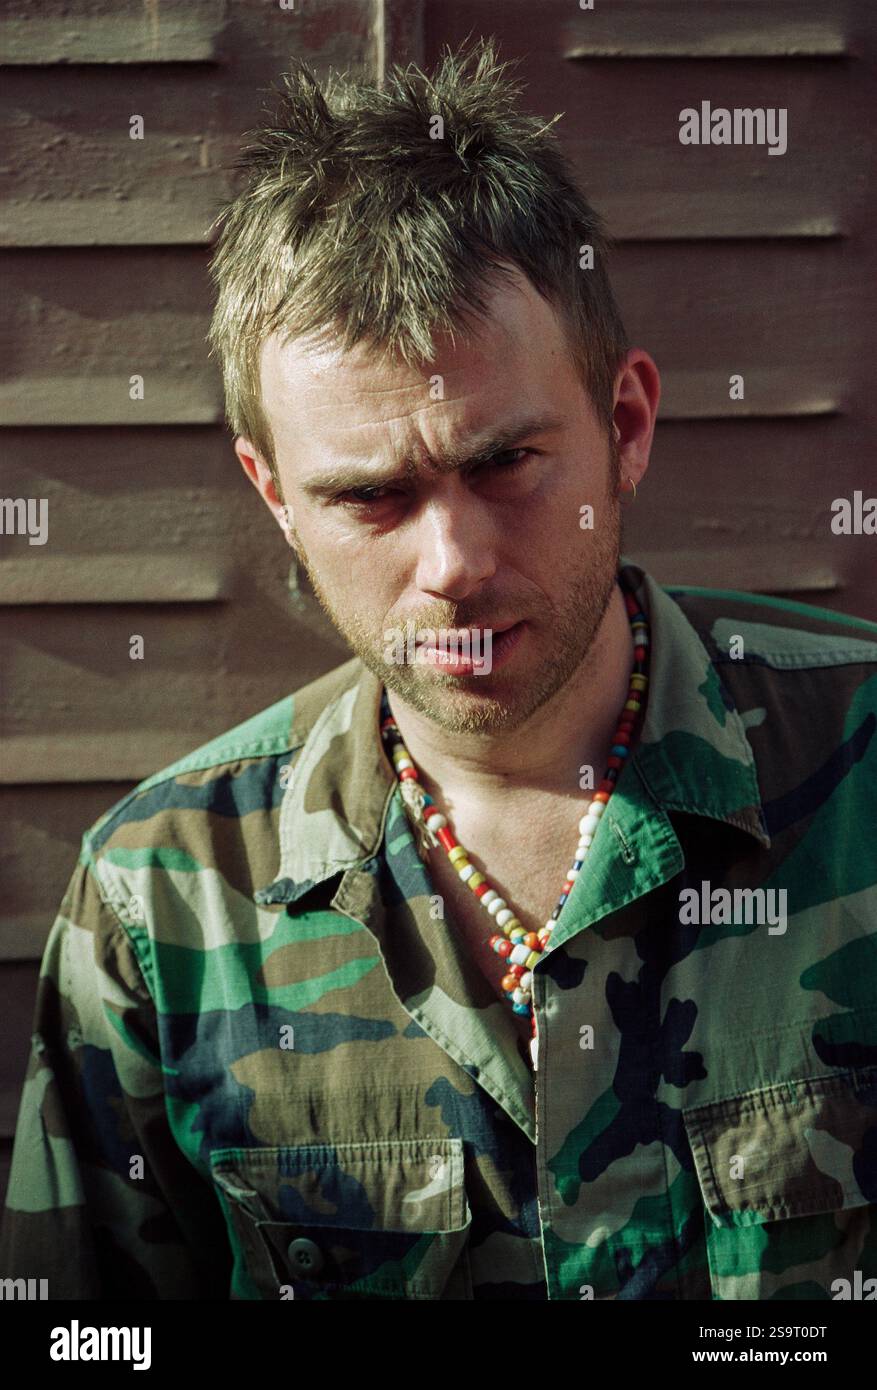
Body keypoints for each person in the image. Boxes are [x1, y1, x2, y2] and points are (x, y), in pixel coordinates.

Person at [1, 38, 875, 1302]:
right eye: (372, 496)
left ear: (624, 427)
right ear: (274, 496)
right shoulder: (165, 901)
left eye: (506, 463)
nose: (454, 561)